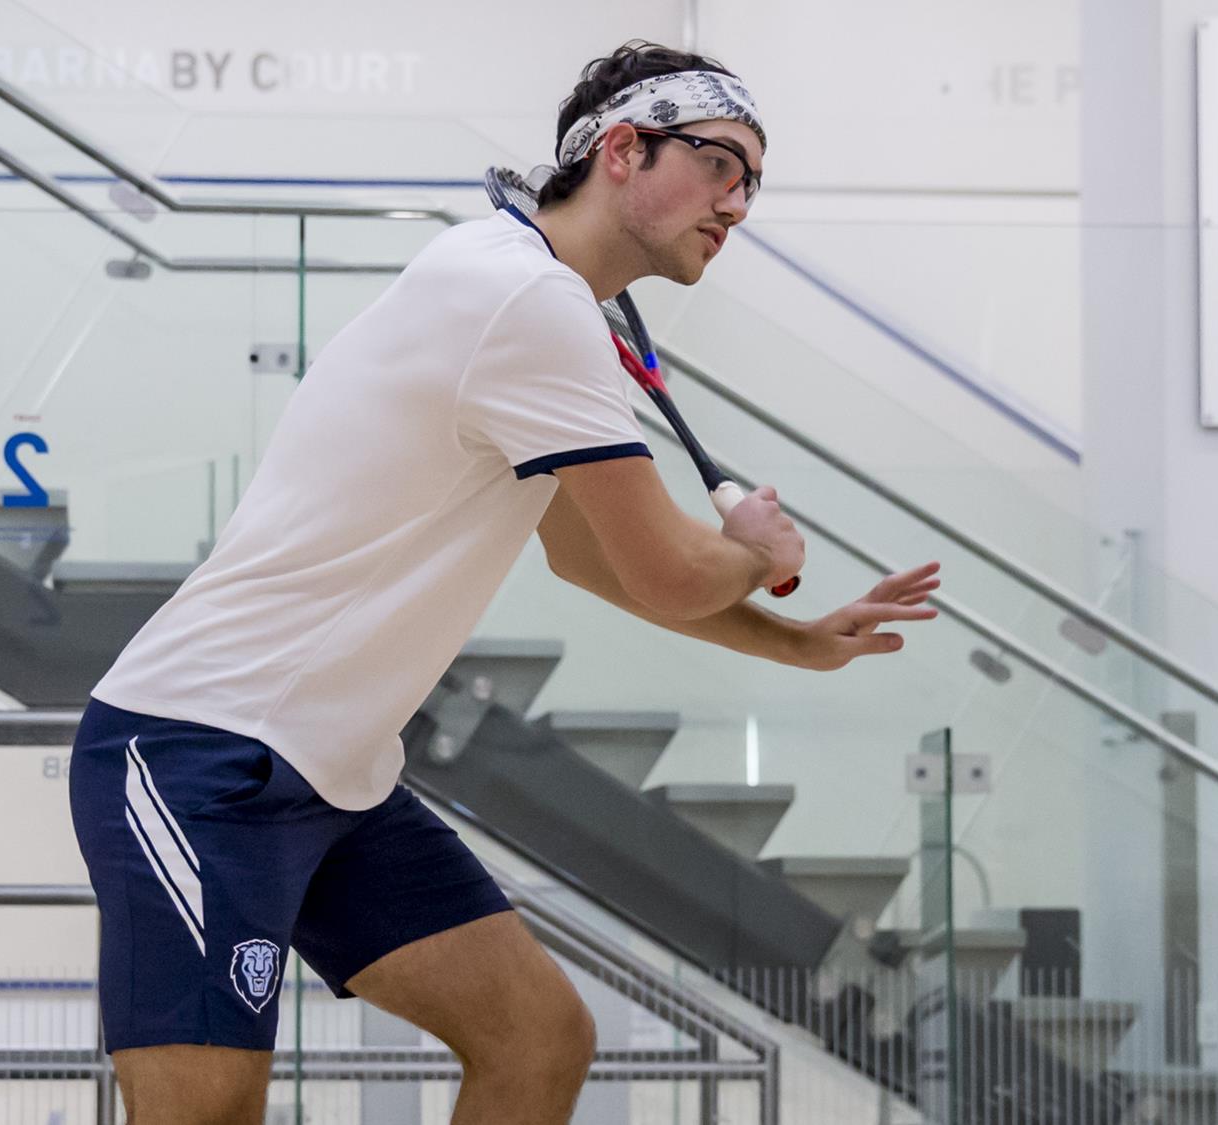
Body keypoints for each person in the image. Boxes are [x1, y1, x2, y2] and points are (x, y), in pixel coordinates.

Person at [67, 40, 942, 1125]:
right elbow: (672, 570)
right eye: (721, 165)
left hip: (334, 775)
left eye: (754, 181)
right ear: (622, 149)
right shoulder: (520, 298)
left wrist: (799, 638)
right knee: (206, 1115)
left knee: (536, 1040)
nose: (740, 203)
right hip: (199, 748)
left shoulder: (528, 291)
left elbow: (589, 561)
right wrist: (759, 550)